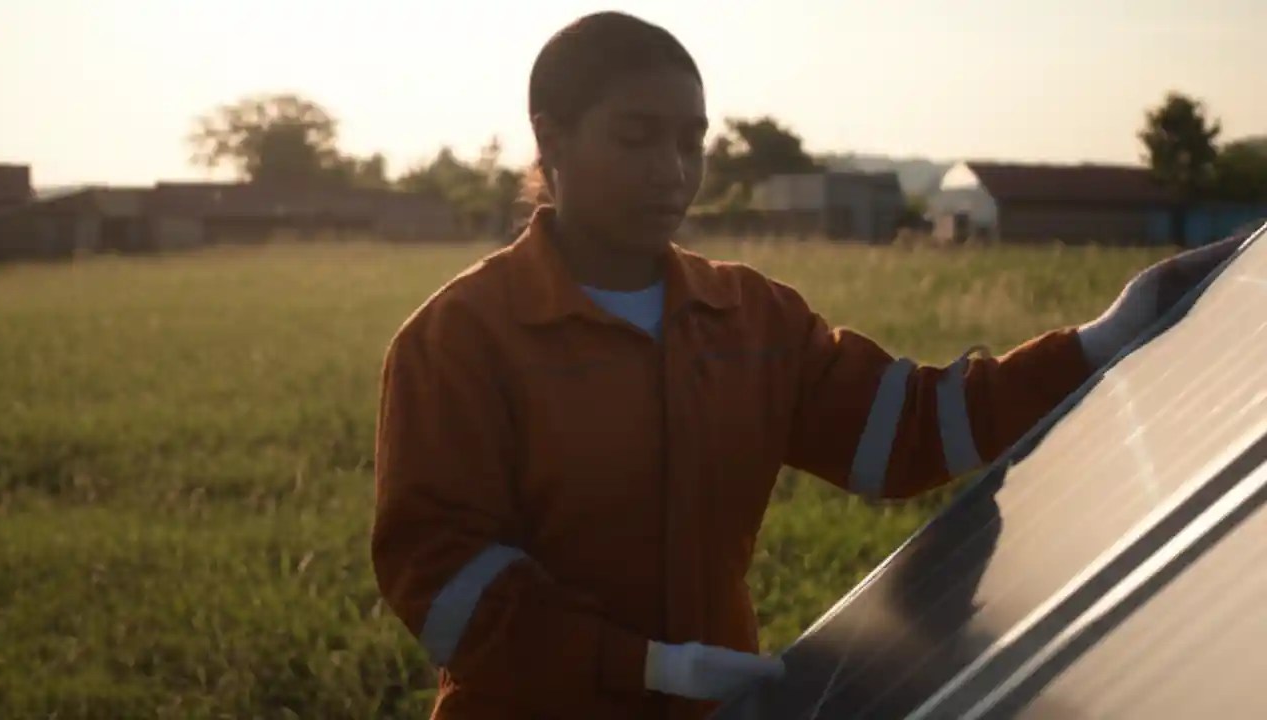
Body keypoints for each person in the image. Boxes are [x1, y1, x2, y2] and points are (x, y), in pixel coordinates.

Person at [370, 11, 1248, 720]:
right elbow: (443, 580)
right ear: (548, 136)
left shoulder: (751, 318)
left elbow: (910, 429)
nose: (673, 171)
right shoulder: (458, 342)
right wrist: (646, 668)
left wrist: (1103, 338)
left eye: (692, 140)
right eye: (636, 137)